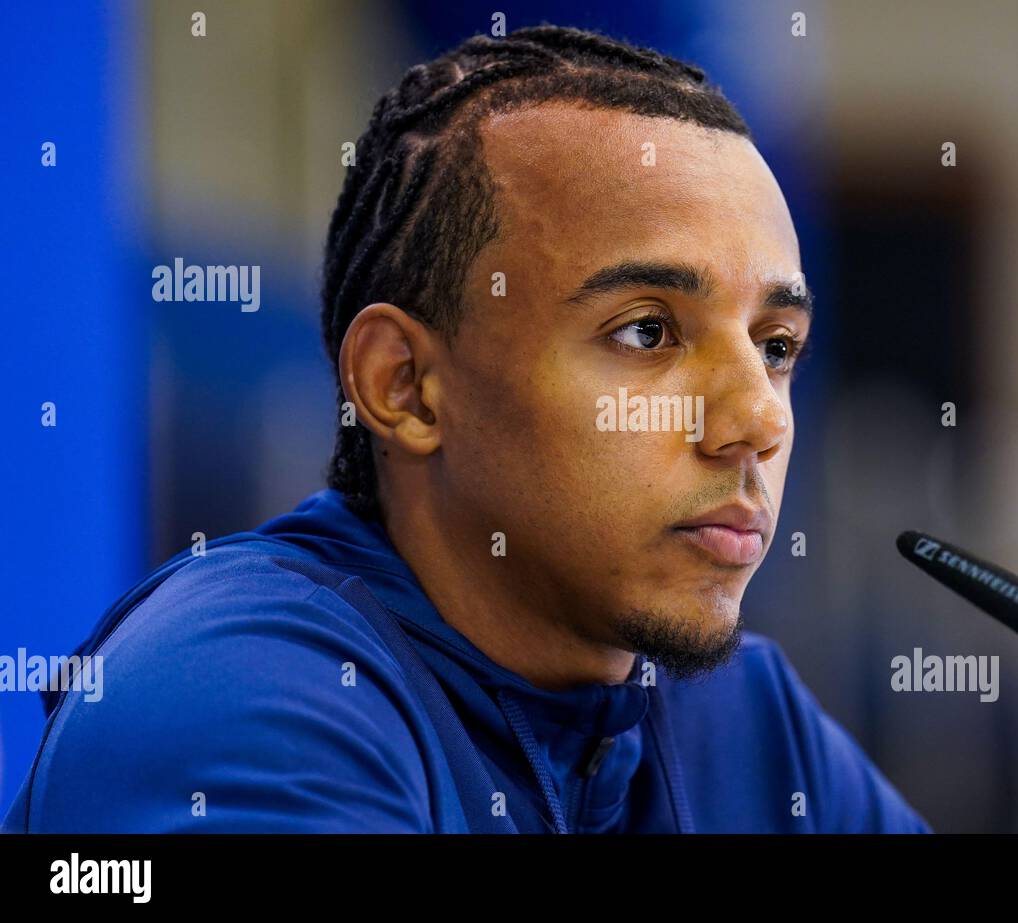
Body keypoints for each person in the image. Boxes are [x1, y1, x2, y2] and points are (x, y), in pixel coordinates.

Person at [3, 25, 930, 834]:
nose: (759, 420)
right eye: (646, 332)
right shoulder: (237, 692)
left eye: (776, 346)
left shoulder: (745, 722)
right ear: (403, 385)